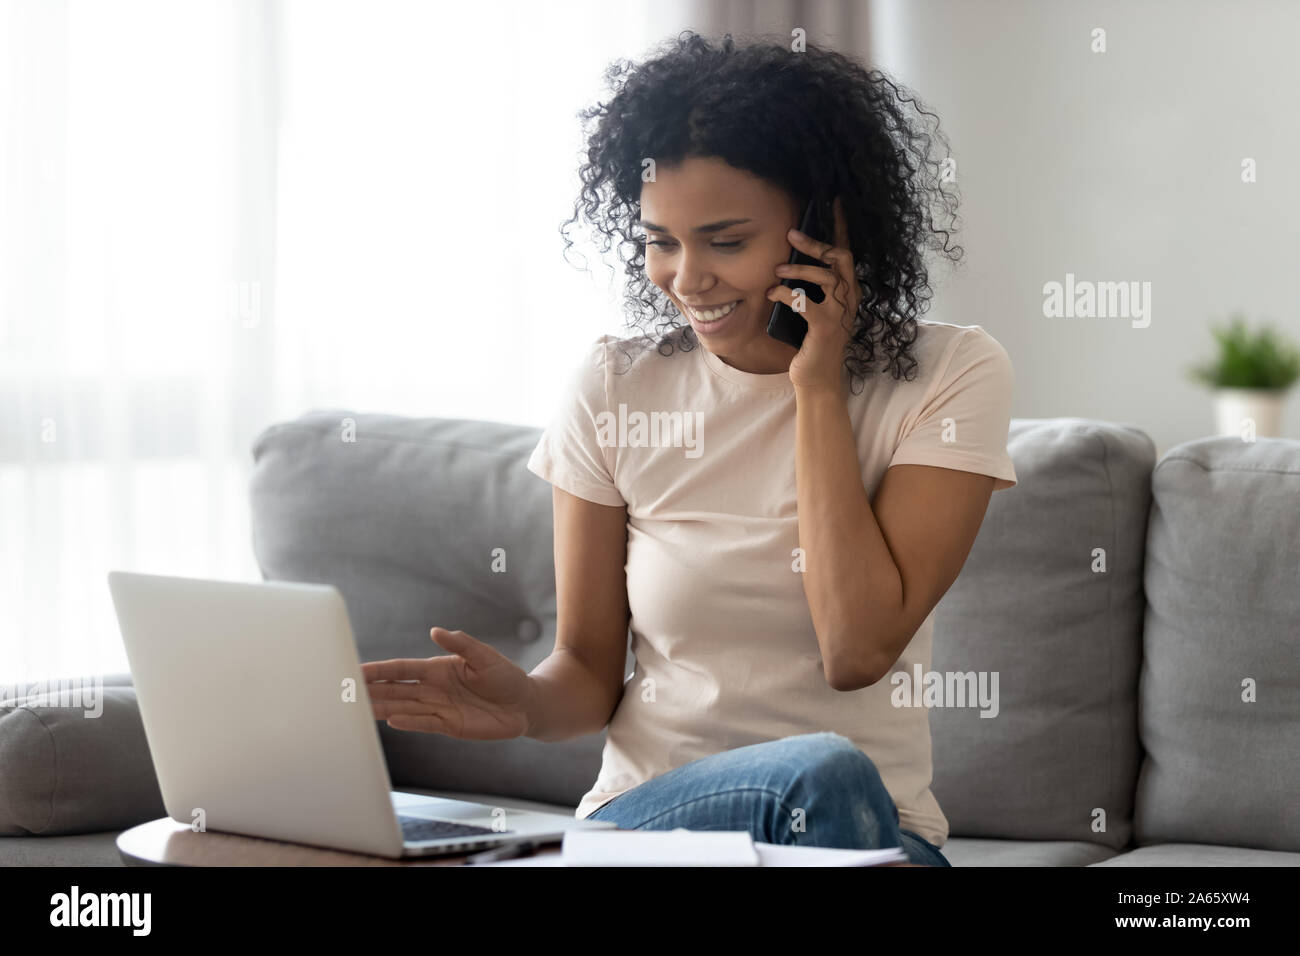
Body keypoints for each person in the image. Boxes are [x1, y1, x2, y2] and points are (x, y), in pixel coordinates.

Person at [364, 30, 1018, 867]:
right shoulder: (616, 386)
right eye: (661, 241)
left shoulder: (948, 375)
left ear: (826, 228)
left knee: (822, 777)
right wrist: (522, 704)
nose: (686, 278)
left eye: (726, 241)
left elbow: (856, 649)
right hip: (652, 830)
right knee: (816, 776)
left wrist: (817, 389)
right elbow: (587, 674)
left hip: (862, 833)